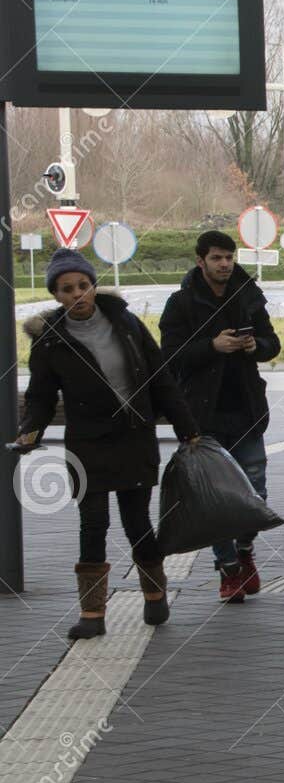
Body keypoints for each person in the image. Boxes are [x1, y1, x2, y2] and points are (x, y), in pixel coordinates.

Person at [18, 249, 201, 639]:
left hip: (133, 438)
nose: (77, 294)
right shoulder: (50, 342)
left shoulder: (127, 323)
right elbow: (40, 396)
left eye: (83, 285)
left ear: (93, 286)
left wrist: (187, 428)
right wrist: (30, 429)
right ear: (56, 295)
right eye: (67, 289)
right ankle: (91, 613)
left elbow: (161, 378)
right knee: (92, 525)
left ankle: (154, 594)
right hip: (87, 445)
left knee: (137, 524)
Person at [159, 231, 281, 603]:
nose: (225, 264)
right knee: (214, 498)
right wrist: (212, 347)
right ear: (201, 261)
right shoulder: (181, 303)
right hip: (202, 414)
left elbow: (272, 344)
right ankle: (228, 569)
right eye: (217, 258)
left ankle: (244, 549)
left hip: (245, 409)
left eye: (229, 257)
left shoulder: (248, 296)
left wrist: (253, 346)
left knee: (255, 487)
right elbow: (169, 357)